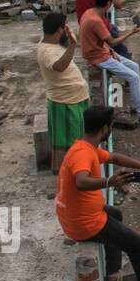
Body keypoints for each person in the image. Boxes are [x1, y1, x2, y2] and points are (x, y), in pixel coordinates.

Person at [55, 105, 140, 281]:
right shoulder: (83, 155)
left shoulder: (86, 147)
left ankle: (112, 272)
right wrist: (109, 182)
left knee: (115, 213)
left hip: (80, 214)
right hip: (85, 224)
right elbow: (81, 182)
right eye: (111, 125)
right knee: (139, 245)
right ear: (104, 129)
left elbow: (115, 157)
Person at [80, 0, 140, 124]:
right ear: (109, 3)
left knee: (134, 67)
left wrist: (111, 51)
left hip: (103, 51)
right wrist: (132, 32)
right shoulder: (96, 21)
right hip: (98, 57)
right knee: (133, 77)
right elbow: (112, 41)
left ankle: (136, 105)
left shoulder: (89, 13)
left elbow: (102, 41)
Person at [37, 13, 91, 173]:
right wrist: (73, 44)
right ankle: (69, 175)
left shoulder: (54, 44)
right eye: (66, 26)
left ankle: (77, 171)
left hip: (75, 98)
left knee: (78, 139)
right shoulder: (46, 51)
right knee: (70, 142)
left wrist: (68, 40)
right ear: (60, 29)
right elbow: (59, 66)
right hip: (65, 103)